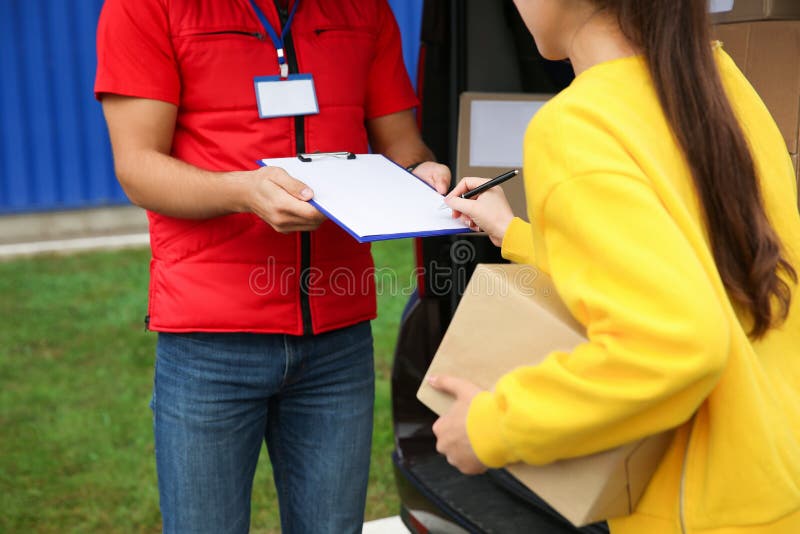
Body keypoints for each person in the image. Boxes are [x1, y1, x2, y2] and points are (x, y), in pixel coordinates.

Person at [428, 0, 800, 533]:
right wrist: (513, 233)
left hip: (694, 511)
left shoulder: (576, 124)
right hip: (774, 483)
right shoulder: (720, 77)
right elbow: (697, 258)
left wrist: (489, 427)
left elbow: (673, 344)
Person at [94, 0, 450, 532]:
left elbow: (402, 146)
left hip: (338, 338)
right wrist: (243, 191)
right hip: (209, 340)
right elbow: (138, 167)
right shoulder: (146, 8)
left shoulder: (365, 9)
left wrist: (425, 175)